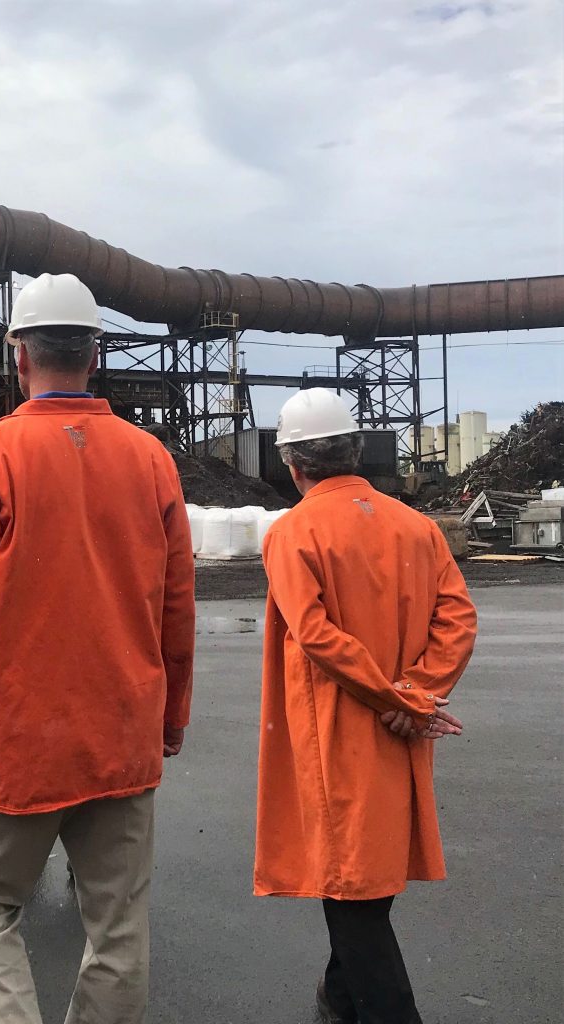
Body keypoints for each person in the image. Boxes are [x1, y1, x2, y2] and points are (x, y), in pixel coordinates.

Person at [0, 273, 196, 1024]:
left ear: (18, 356)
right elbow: (175, 606)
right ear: (94, 354)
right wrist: (170, 718)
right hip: (120, 735)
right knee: (118, 927)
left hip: (13, 741)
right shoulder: (150, 459)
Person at [257, 388, 477, 1024]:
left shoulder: (294, 532)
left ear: (292, 463)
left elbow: (315, 635)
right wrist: (417, 692)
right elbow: (457, 618)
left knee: (351, 885)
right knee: (367, 873)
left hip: (339, 729)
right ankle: (339, 997)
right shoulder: (416, 526)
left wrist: (396, 696)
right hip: (399, 727)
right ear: (357, 451)